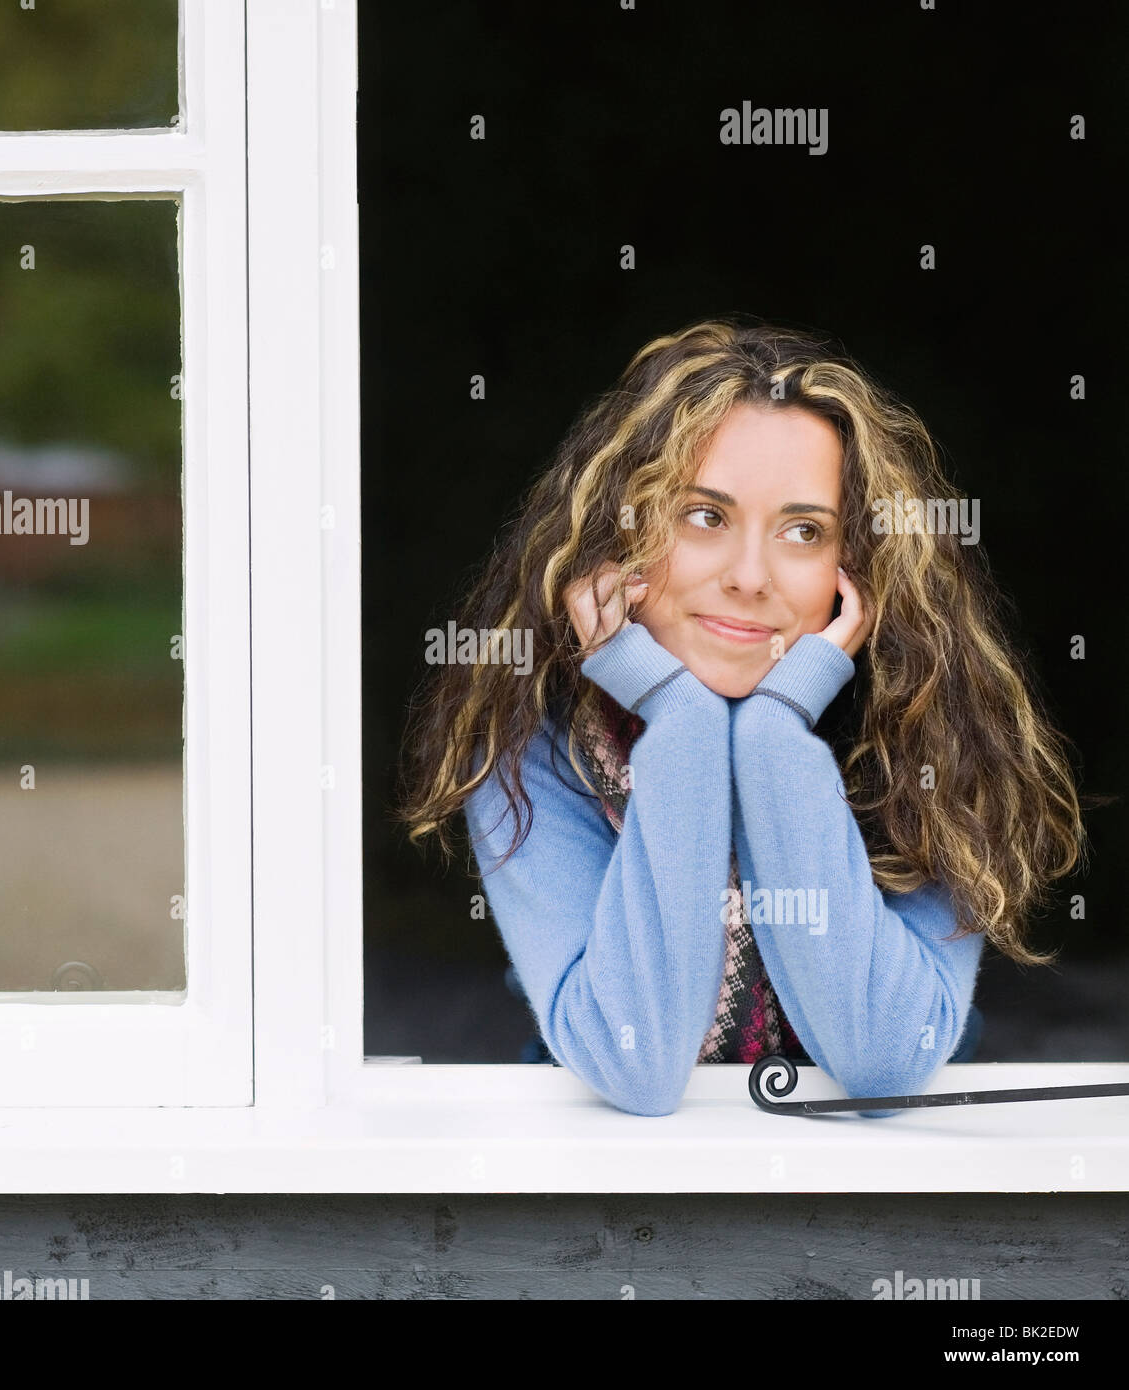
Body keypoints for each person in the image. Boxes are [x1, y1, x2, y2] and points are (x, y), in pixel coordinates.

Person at [400, 318, 1086, 1117]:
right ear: (619, 534)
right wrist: (683, 723)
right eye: (704, 517)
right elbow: (636, 1064)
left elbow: (885, 1061)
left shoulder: (929, 742)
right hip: (620, 1194)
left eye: (804, 532)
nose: (751, 577)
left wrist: (771, 738)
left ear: (854, 567)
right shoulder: (531, 753)